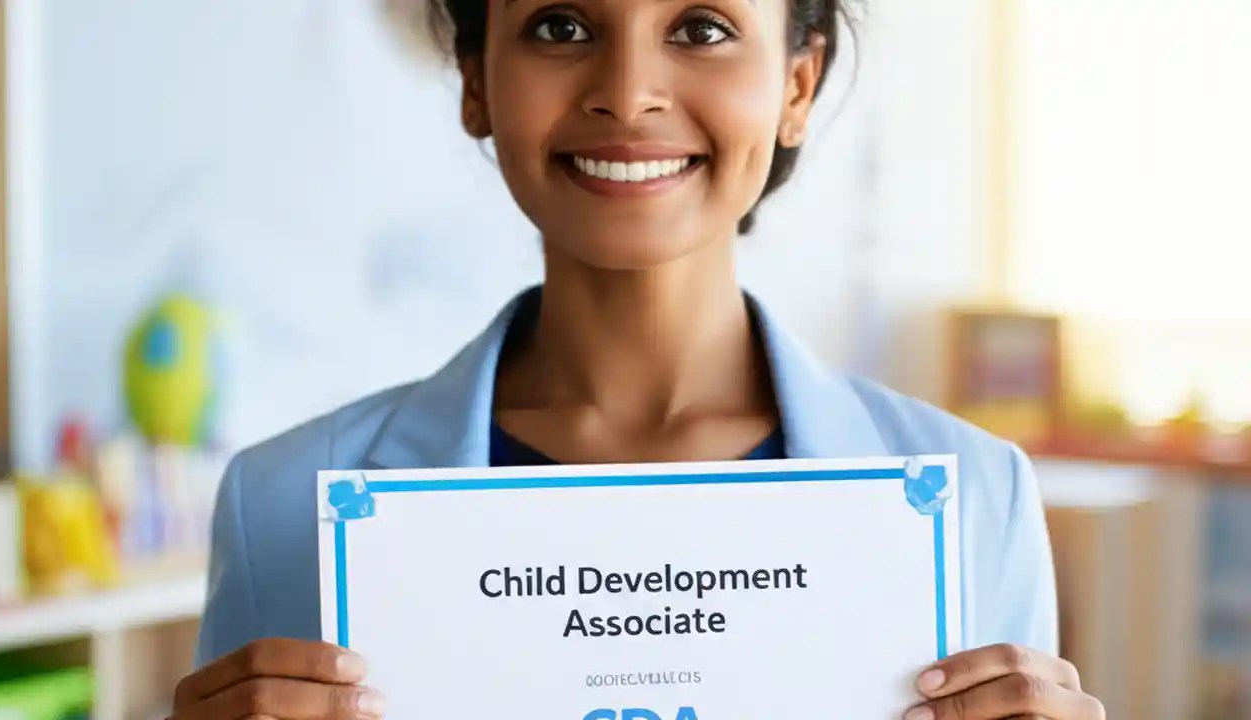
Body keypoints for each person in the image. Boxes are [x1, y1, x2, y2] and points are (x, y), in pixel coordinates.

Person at [172, 0, 1106, 718]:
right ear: (476, 82)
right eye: (561, 25)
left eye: (701, 28)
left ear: (796, 86)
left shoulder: (978, 498)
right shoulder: (280, 503)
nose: (627, 91)